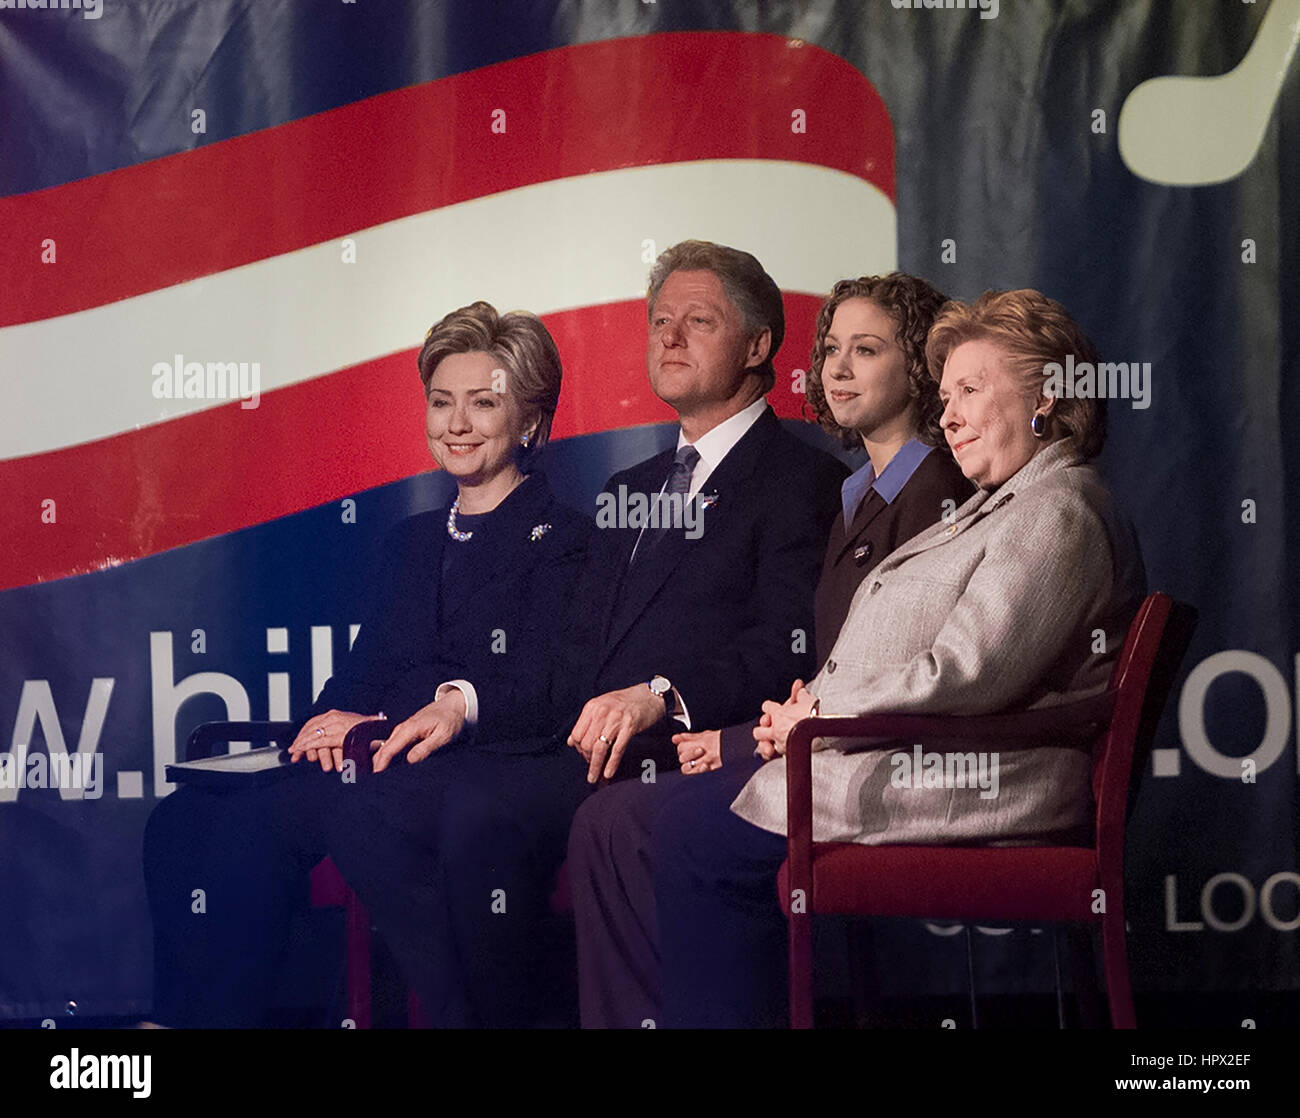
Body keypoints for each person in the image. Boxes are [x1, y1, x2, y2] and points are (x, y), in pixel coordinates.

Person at [647, 288, 1147, 1027]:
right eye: (945, 395)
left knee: (688, 840)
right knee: (676, 827)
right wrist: (807, 711)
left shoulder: (1059, 510)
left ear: (1048, 396)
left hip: (984, 780)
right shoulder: (1009, 500)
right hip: (921, 757)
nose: (948, 416)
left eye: (971, 391)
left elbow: (967, 672)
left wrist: (819, 715)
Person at [144, 301, 594, 1028]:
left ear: (532, 423)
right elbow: (359, 678)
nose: (456, 423)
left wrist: (378, 718)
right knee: (186, 820)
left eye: (483, 404)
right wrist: (328, 720)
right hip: (368, 762)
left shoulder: (567, 541)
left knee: (354, 810)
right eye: (441, 402)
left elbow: (534, 685)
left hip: (464, 769)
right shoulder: (408, 544)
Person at [567, 272, 973, 1028]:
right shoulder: (862, 493)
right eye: (833, 351)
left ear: (920, 366)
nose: (840, 369)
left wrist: (729, 731)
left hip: (868, 761)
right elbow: (839, 659)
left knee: (654, 823)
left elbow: (917, 671)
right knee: (606, 818)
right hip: (798, 741)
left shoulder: (922, 491)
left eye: (868, 350)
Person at [443, 240, 848, 790]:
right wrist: (463, 704)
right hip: (573, 758)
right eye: (660, 320)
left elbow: (786, 648)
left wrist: (662, 694)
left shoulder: (805, 483)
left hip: (689, 765)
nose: (669, 337)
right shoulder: (627, 487)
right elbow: (572, 657)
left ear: (757, 345)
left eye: (698, 320)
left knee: (471, 825)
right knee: (425, 798)